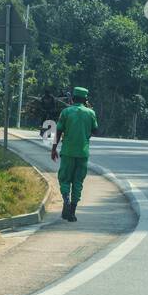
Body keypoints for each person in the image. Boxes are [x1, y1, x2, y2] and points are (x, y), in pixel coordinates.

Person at [51, 86, 98, 222]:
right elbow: (95, 131)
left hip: (68, 152)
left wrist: (54, 149)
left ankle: (65, 199)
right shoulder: (90, 113)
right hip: (83, 153)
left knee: (64, 178)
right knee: (78, 182)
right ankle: (72, 211)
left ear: (72, 98)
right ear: (85, 99)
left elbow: (58, 131)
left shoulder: (66, 112)